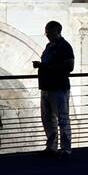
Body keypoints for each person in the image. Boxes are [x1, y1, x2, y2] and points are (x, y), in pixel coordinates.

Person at [33, 21, 75, 156]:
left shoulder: (65, 47)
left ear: (57, 31)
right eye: (46, 32)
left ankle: (65, 148)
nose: (47, 35)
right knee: (47, 118)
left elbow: (70, 67)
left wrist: (45, 66)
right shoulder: (49, 46)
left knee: (62, 118)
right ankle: (52, 147)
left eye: (49, 32)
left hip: (58, 87)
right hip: (46, 87)